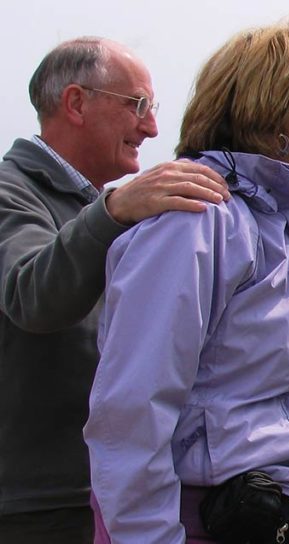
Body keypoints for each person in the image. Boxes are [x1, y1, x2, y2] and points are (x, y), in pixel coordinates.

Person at [85, 22, 289, 543]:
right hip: (218, 519)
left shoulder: (266, 216)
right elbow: (131, 408)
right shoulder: (199, 219)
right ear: (277, 100)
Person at [0, 37, 230, 543]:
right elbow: (30, 296)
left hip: (104, 488)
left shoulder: (97, 203)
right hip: (41, 505)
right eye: (138, 106)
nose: (150, 127)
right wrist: (112, 212)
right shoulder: (11, 192)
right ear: (77, 103)